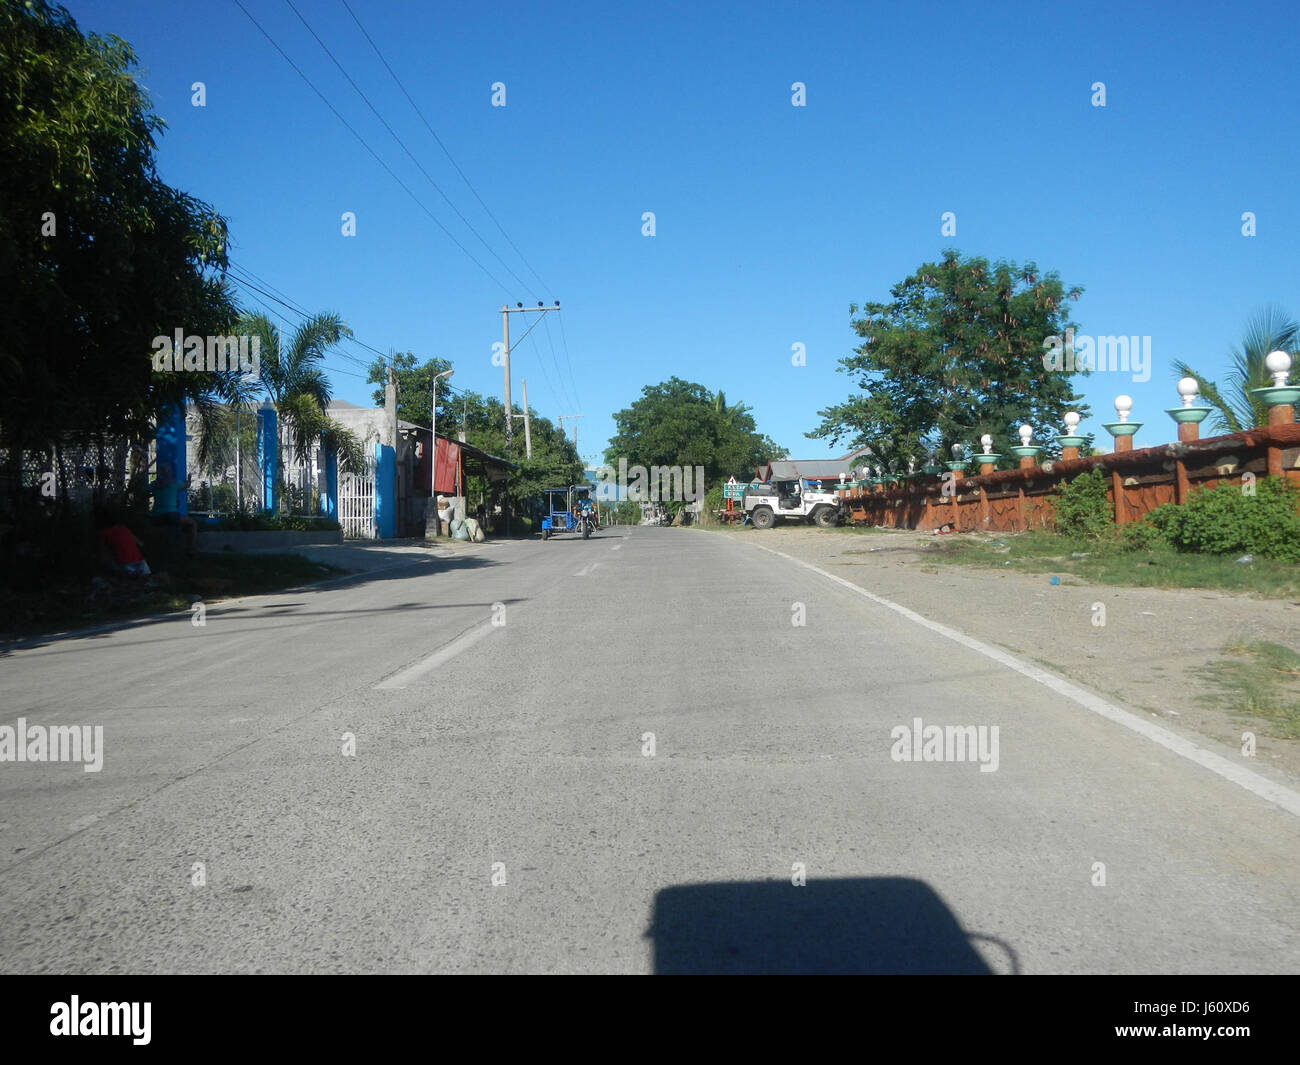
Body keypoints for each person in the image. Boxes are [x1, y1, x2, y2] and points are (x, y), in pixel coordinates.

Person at [148, 461, 197, 553]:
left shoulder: (154, 485)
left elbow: (142, 492)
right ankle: (191, 549)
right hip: (171, 515)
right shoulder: (174, 484)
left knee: (161, 531)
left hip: (156, 517)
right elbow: (187, 485)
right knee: (192, 523)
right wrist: (189, 478)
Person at [95, 510, 151, 577]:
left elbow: (102, 555)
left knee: (107, 561)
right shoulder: (124, 528)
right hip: (142, 564)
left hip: (126, 566)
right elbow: (141, 543)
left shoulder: (103, 533)